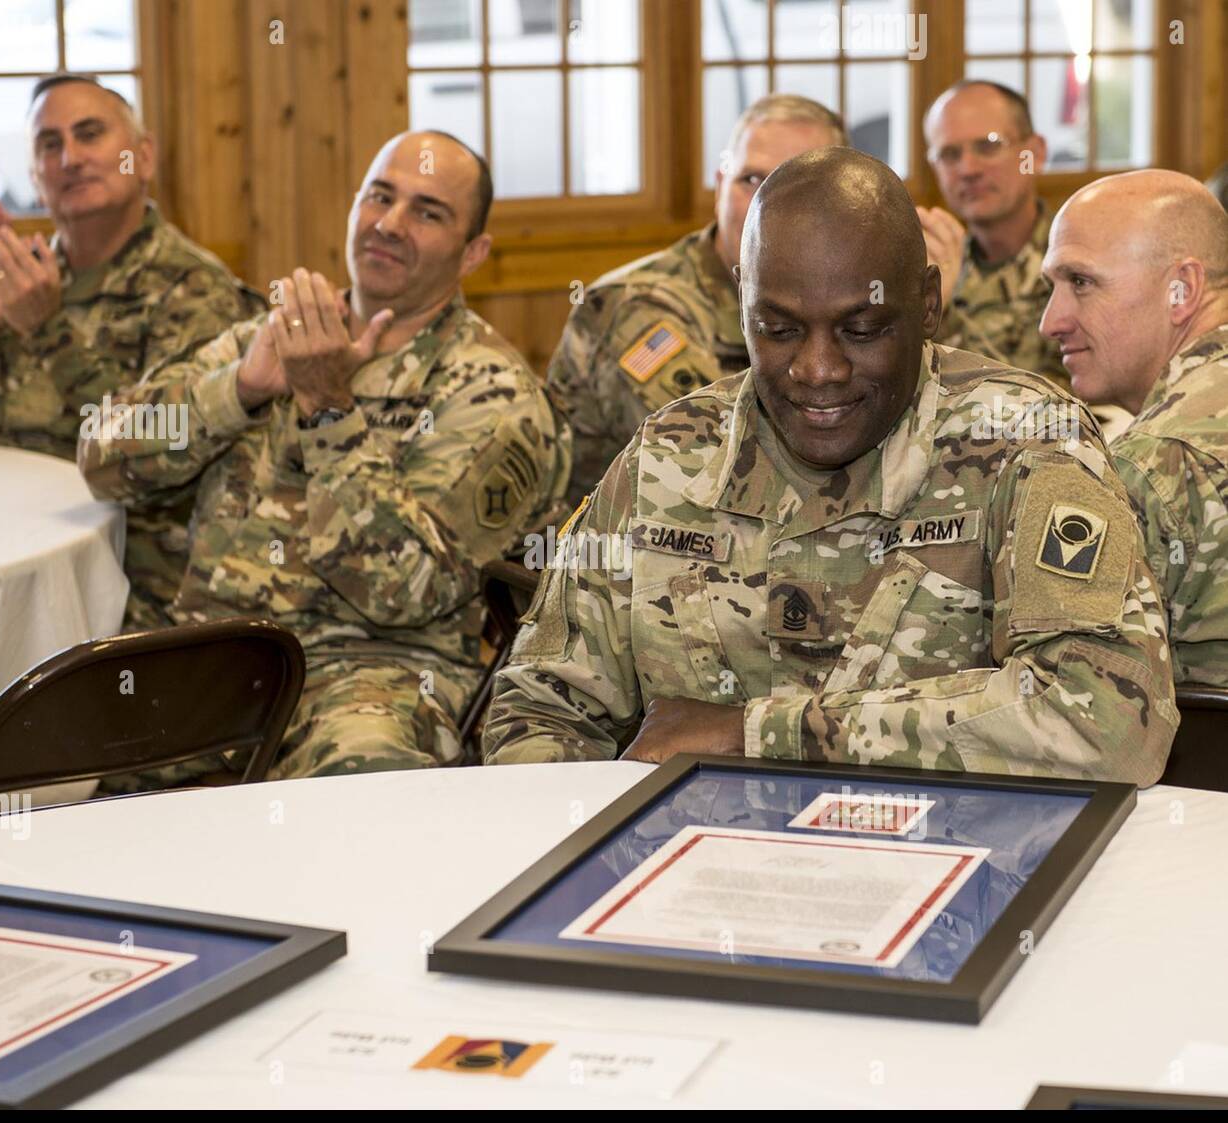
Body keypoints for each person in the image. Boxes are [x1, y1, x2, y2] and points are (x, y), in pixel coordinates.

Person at [483, 148, 1177, 788]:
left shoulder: (1023, 446)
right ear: (742, 300)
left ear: (929, 303)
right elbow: (539, 705)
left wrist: (757, 733)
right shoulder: (672, 452)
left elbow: (1109, 721)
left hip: (949, 879)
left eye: (863, 329)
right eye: (778, 329)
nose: (818, 370)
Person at [80, 131, 570, 778]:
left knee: (365, 781)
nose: (390, 224)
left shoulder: (492, 393)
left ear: (472, 252)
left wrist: (328, 408)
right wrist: (239, 390)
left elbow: (401, 589)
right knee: (73, 762)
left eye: (427, 212)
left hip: (367, 675)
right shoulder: (278, 334)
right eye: (379, 197)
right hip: (212, 659)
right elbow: (100, 458)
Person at [0, 74, 264, 630]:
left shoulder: (196, 291)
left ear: (144, 157)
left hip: (125, 584)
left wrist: (50, 331)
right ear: (36, 177)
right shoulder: (21, 277)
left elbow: (165, 449)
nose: (71, 158)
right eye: (50, 145)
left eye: (90, 134)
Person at [550, 95, 847, 507]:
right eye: (750, 180)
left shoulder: (843, 297)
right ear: (720, 185)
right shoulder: (640, 305)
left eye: (798, 188)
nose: (767, 206)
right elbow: (718, 467)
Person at [1042, 169, 1228, 685]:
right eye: (1052, 287)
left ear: (1181, 290)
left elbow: (1075, 698)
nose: (1051, 321)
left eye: (1081, 282)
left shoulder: (1156, 464)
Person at [918, 81, 1070, 393]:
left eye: (988, 146)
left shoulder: (1077, 262)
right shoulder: (933, 266)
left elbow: (1059, 399)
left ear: (1036, 153)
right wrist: (928, 306)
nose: (968, 169)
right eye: (949, 154)